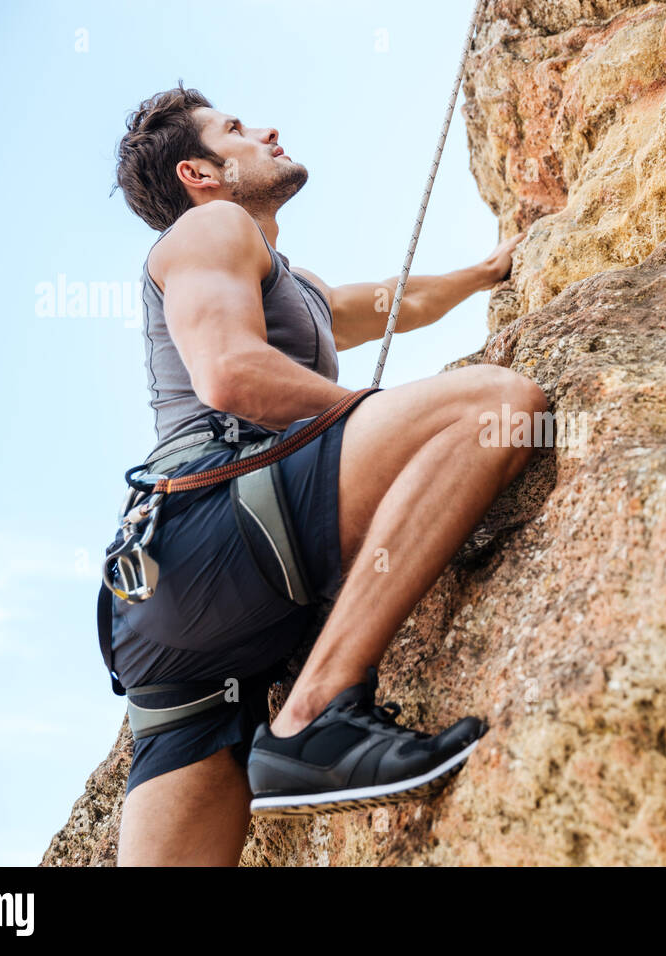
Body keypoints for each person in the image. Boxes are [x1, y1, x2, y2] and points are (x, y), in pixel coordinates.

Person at [106, 82, 546, 865]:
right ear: (199, 175)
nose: (266, 129)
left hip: (168, 610)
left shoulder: (288, 280)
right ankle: (314, 714)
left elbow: (389, 303)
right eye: (235, 129)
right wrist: (378, 421)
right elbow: (230, 374)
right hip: (218, 526)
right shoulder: (212, 229)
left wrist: (486, 272)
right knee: (496, 406)